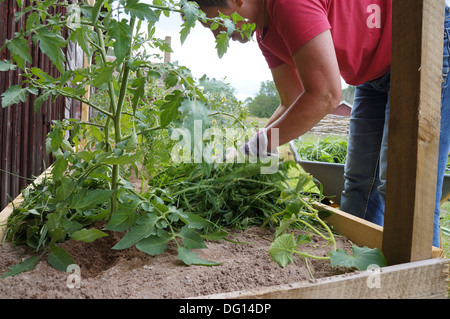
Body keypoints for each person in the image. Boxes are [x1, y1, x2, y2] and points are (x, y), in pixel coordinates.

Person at [193, 0, 450, 248]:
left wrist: (253, 148)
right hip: (372, 75)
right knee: (360, 184)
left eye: (214, 21)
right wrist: (247, 149)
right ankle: (365, 273)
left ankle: (422, 284)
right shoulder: (265, 35)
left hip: (421, 47)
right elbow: (291, 100)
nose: (217, 34)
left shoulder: (286, 3)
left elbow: (325, 95)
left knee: (404, 192)